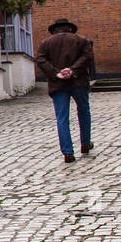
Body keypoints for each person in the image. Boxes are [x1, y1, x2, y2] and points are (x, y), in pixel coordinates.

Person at [34, 18, 94, 164]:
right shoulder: (81, 40)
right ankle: (85, 143)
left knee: (62, 118)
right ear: (70, 29)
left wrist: (56, 73)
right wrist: (72, 70)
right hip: (78, 81)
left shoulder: (46, 43)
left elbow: (40, 60)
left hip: (58, 84)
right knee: (84, 111)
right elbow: (88, 56)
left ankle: (67, 152)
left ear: (54, 30)